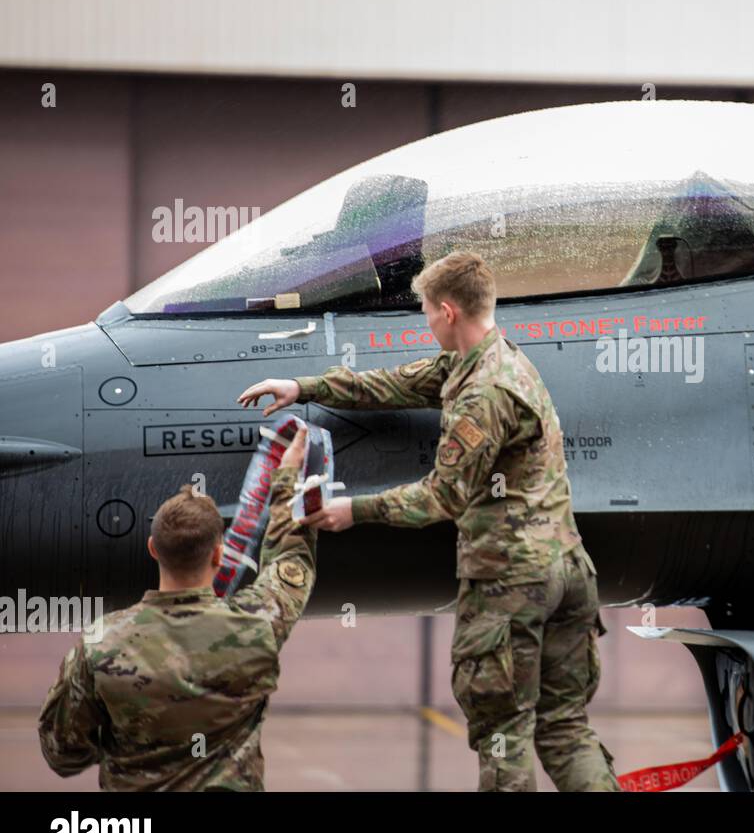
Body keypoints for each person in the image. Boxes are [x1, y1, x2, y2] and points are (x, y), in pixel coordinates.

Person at [237, 251, 620, 792]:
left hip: (512, 581)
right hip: (568, 574)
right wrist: (305, 387)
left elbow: (443, 497)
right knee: (564, 728)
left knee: (503, 735)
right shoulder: (500, 361)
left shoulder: (482, 394)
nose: (425, 321)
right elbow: (394, 384)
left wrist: (354, 510)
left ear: (447, 311)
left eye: (425, 311)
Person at [38, 428, 317, 790]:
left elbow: (62, 752)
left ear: (153, 548)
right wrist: (287, 478)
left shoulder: (101, 644)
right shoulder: (257, 625)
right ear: (218, 554)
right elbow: (292, 559)